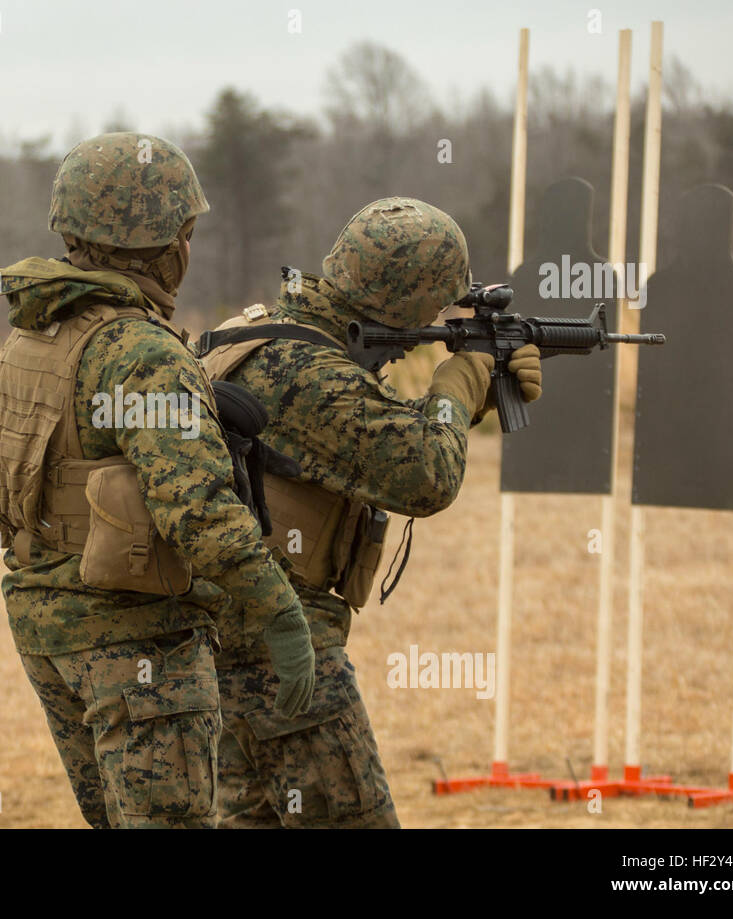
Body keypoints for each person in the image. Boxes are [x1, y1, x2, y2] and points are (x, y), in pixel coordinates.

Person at [0, 133, 316, 828]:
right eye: (184, 233)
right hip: (134, 643)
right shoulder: (140, 351)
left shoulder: (35, 334)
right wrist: (280, 613)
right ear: (156, 246)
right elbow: (200, 511)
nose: (189, 248)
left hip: (45, 622)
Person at [198, 198, 543, 827]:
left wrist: (476, 400)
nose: (439, 322)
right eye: (434, 308)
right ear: (402, 304)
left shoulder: (270, 338)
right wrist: (454, 387)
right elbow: (422, 478)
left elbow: (359, 445)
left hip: (229, 637)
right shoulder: (312, 370)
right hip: (282, 649)